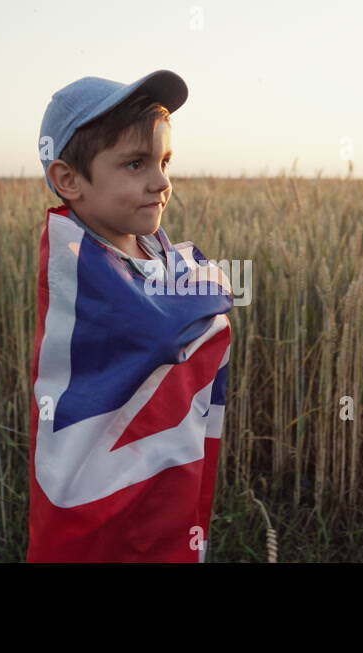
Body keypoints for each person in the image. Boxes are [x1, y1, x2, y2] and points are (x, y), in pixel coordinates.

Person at [27, 70, 234, 562]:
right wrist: (211, 280)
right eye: (136, 164)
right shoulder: (75, 257)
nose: (161, 182)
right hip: (91, 487)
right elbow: (165, 326)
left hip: (157, 469)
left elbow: (189, 296)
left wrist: (200, 281)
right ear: (69, 179)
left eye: (164, 161)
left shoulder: (146, 246)